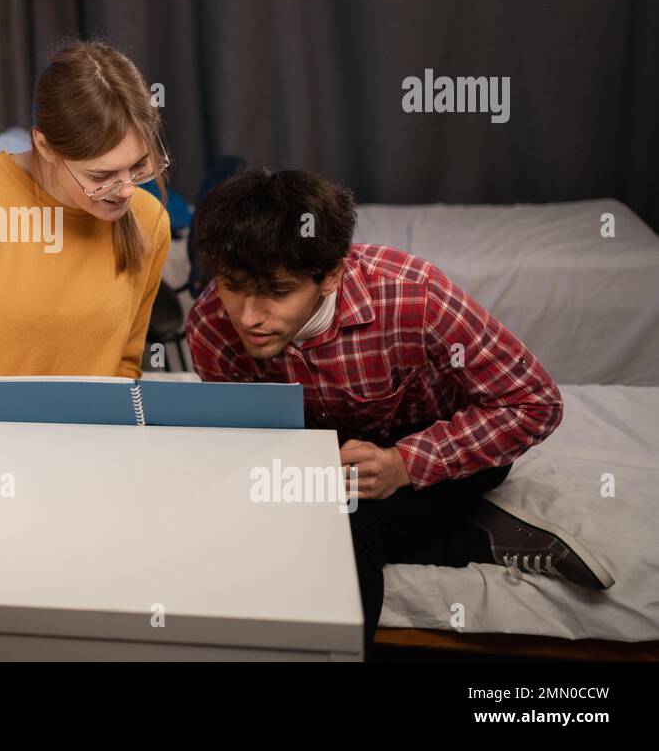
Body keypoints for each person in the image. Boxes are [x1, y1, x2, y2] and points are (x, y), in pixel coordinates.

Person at [185, 167, 613, 654]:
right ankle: (476, 539)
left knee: (348, 530)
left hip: (435, 445)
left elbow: (533, 402)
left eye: (278, 292)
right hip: (319, 456)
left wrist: (405, 465)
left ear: (331, 275)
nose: (247, 317)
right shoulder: (210, 323)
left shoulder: (416, 294)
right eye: (233, 286)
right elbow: (249, 435)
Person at [0, 40, 171, 420]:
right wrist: (39, 431)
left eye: (139, 166)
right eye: (101, 175)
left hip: (71, 454)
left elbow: (122, 368)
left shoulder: (148, 221)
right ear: (45, 145)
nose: (126, 190)